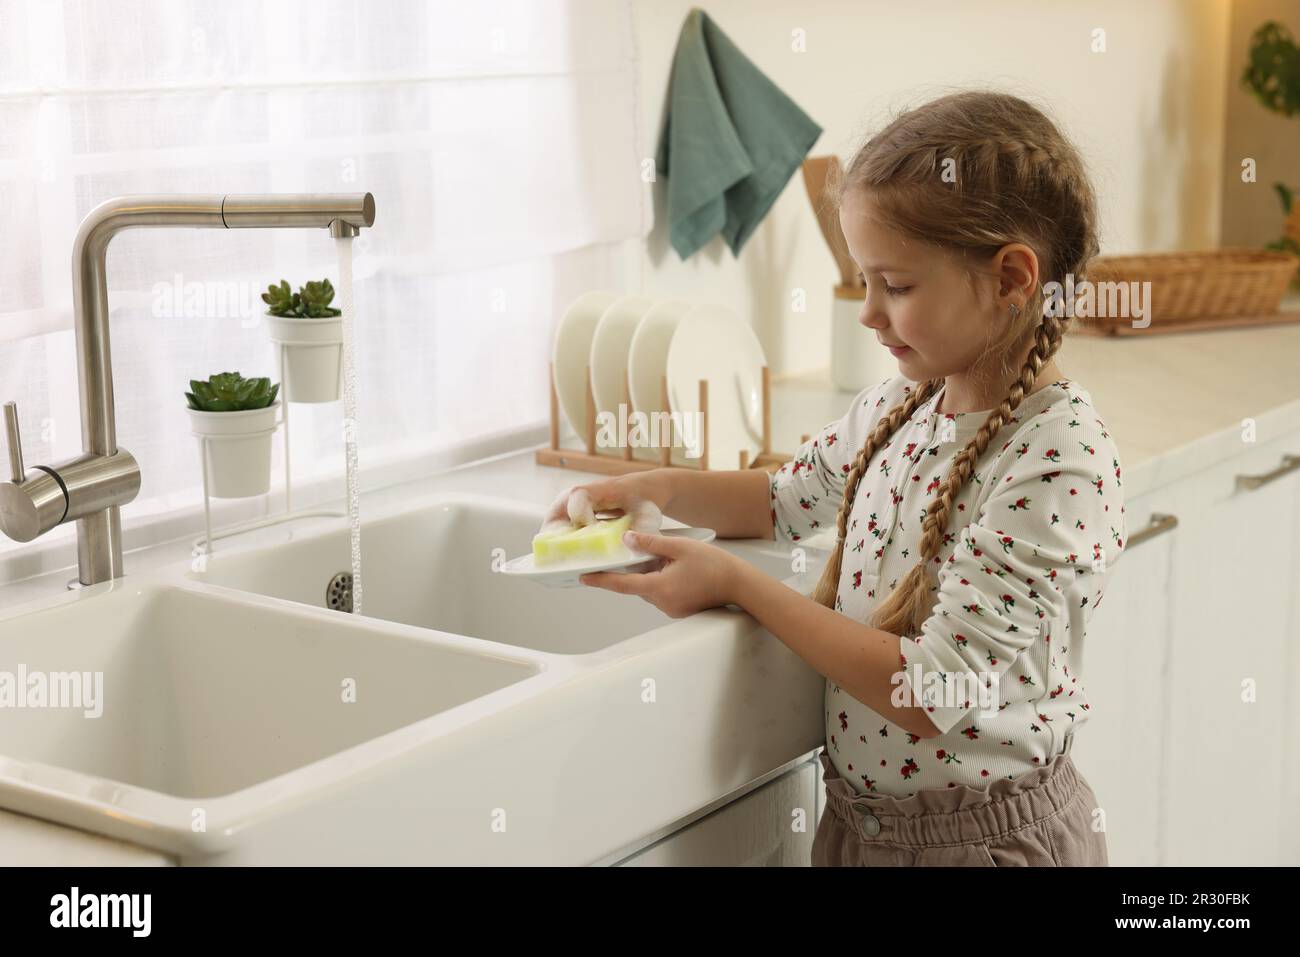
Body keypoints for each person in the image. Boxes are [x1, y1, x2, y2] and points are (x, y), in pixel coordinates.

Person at [546, 90, 1123, 866]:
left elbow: (934, 690)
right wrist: (658, 490)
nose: (869, 312)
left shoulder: (1058, 459)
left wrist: (740, 584)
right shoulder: (901, 401)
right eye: (865, 280)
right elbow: (782, 500)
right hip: (860, 830)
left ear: (1012, 278)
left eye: (898, 286)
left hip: (982, 847)